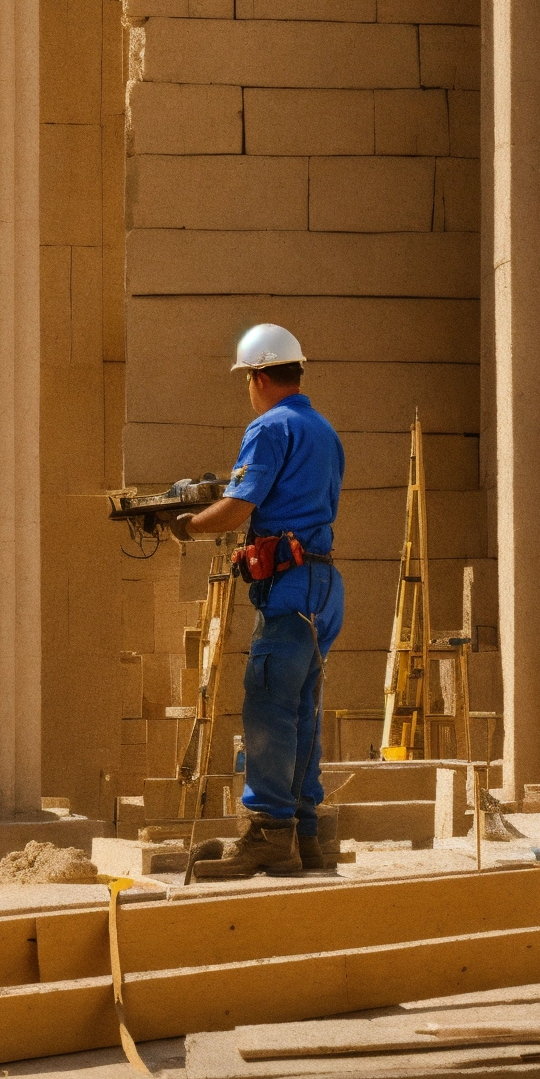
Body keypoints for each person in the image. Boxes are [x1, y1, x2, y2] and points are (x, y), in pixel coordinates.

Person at [172, 323, 345, 880]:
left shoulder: (269, 427)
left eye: (248, 379)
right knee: (302, 712)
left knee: (268, 708)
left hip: (290, 588)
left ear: (260, 376)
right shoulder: (323, 430)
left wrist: (186, 526)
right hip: (323, 585)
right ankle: (306, 837)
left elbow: (237, 507)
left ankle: (269, 835)